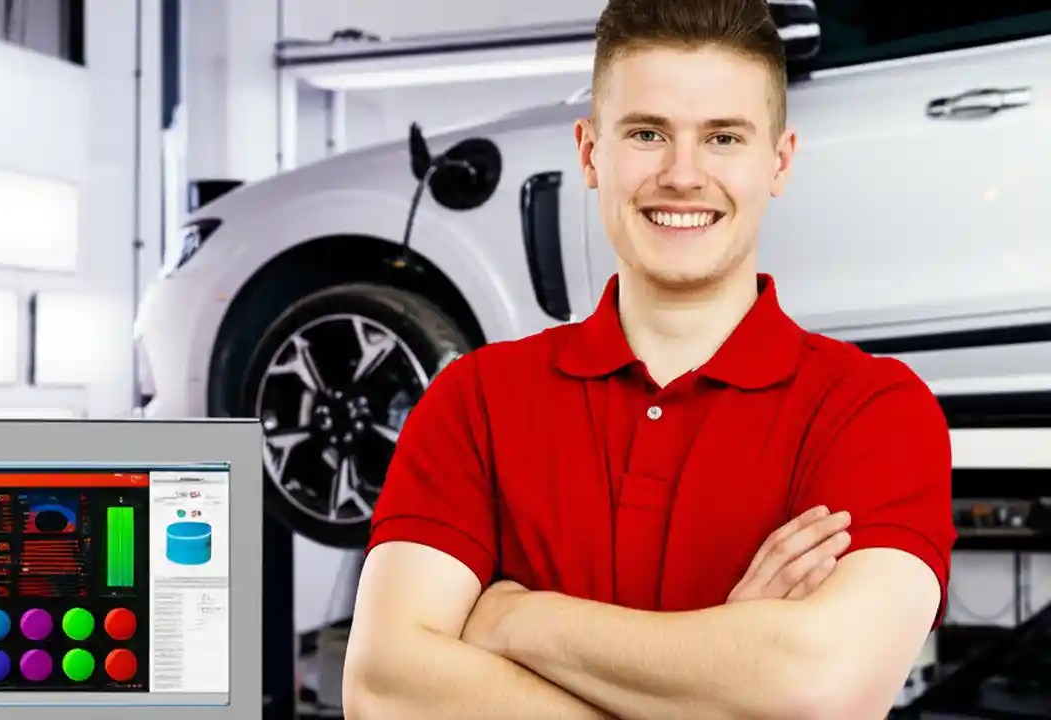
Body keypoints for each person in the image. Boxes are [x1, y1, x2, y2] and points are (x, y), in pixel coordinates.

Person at [342, 0, 956, 717]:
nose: (683, 175)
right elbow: (384, 687)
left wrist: (513, 619)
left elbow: (823, 689)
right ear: (589, 152)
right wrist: (728, 676)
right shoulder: (474, 399)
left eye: (723, 138)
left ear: (779, 160)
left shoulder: (872, 410)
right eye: (646, 134)